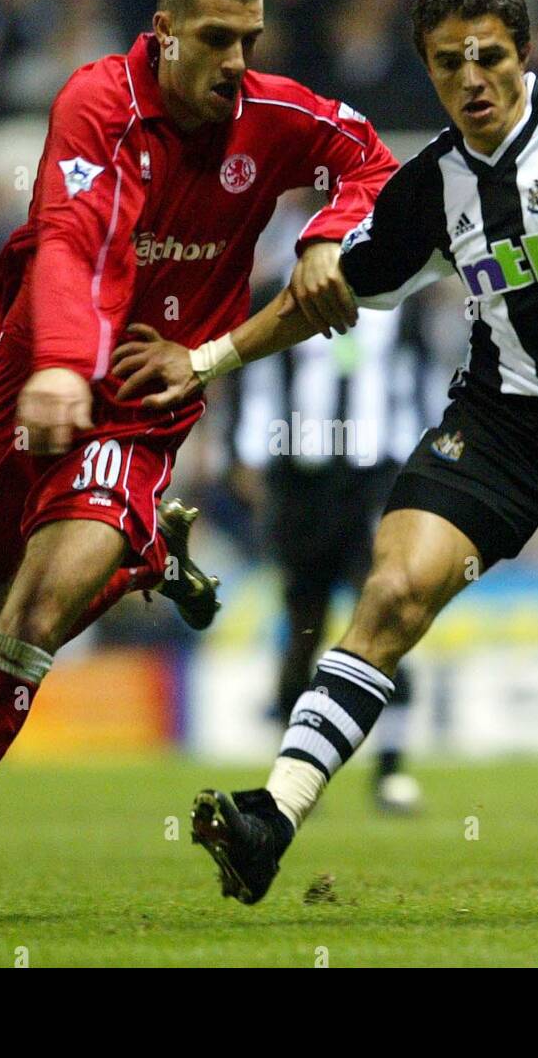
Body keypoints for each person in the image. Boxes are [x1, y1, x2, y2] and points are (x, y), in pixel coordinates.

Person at [109, 0, 538, 905]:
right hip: (498, 424)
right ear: (428, 70)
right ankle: (273, 817)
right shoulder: (431, 185)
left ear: (523, 53)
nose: (471, 80)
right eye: (446, 64)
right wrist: (207, 359)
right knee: (390, 592)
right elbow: (326, 299)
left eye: (489, 57)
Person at [0, 0, 399, 926]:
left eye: (249, 40)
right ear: (165, 32)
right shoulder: (96, 103)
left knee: (28, 631)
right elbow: (70, 236)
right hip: (28, 372)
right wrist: (56, 361)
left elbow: (372, 160)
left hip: (140, 394)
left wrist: (324, 233)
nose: (236, 60)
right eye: (216, 39)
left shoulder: (274, 113)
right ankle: (146, 561)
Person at [230, 194, 441, 811]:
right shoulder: (279, 285)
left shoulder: (400, 296)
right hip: (301, 477)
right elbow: (256, 372)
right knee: (301, 623)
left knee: (389, 607)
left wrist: (426, 456)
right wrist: (248, 455)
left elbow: (422, 378)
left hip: (376, 476)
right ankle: (294, 772)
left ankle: (391, 768)